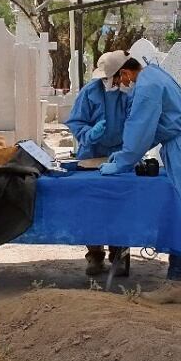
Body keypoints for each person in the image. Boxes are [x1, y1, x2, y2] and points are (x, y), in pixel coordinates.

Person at [99, 58, 181, 304]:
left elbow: (140, 129)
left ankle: (174, 283)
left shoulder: (146, 86)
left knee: (179, 214)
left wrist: (121, 161)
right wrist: (124, 154)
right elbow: (155, 127)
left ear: (125, 73)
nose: (121, 85)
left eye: (118, 80)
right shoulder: (154, 74)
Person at [66, 50, 133, 277]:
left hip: (119, 156)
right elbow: (76, 121)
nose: (109, 81)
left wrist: (129, 149)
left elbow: (136, 123)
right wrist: (89, 133)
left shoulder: (128, 94)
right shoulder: (89, 92)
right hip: (91, 155)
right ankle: (94, 255)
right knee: (91, 205)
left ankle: (120, 255)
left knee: (120, 205)